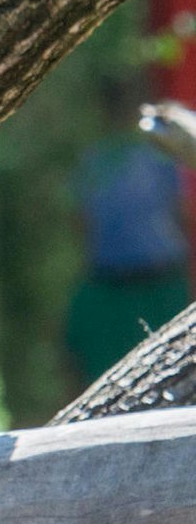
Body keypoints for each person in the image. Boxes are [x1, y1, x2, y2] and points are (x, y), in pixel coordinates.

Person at [66, 77, 192, 387]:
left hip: (142, 285)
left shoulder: (96, 159)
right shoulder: (155, 156)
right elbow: (183, 216)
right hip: (131, 287)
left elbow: (81, 226)